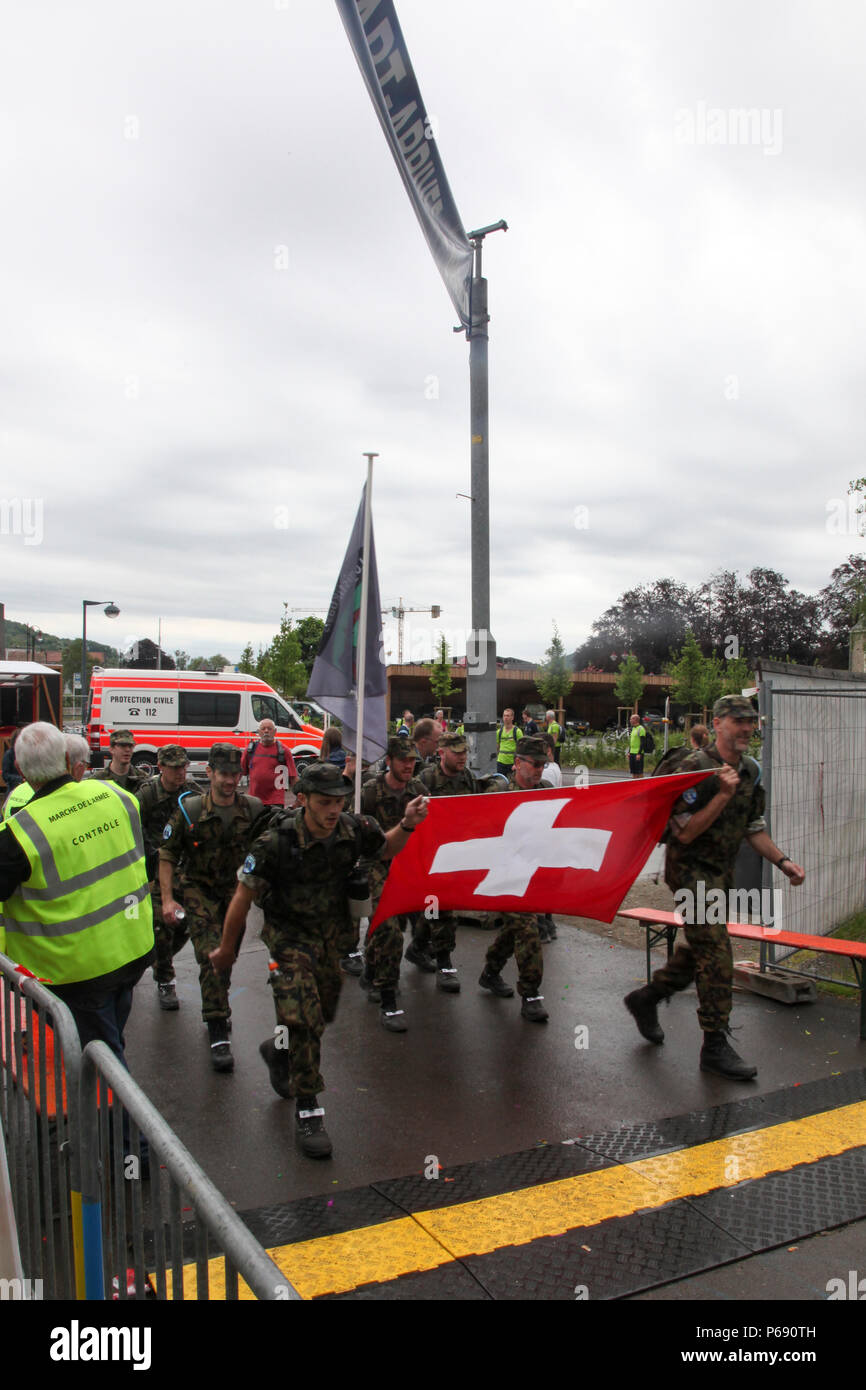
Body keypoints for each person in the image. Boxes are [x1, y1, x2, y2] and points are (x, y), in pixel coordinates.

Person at [210, 761, 428, 1158]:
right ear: (303, 799)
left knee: (317, 1017)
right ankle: (309, 1108)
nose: (333, 810)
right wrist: (228, 950)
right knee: (305, 1021)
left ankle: (280, 1052)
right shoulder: (275, 843)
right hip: (288, 942)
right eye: (324, 802)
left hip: (333, 943)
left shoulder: (353, 829)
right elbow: (242, 897)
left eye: (338, 802)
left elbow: (386, 849)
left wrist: (409, 824)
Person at [623, 695, 806, 1080]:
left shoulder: (750, 771)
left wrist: (784, 862)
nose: (745, 728)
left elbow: (753, 828)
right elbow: (685, 833)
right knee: (719, 953)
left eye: (750, 722)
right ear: (717, 723)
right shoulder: (695, 769)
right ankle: (715, 1046)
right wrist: (721, 795)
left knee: (700, 951)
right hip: (690, 873)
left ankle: (647, 997)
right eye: (737, 721)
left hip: (720, 875)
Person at [0, 722, 153, 1067]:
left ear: (21, 771)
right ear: (69, 759)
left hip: (80, 973)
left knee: (104, 1068)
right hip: (134, 950)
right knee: (109, 1041)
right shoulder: (119, 796)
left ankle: (118, 1121)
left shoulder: (19, 834)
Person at [158, 744, 264, 1072]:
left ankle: (216, 1001)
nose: (231, 781)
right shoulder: (190, 810)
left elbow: (267, 849)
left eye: (236, 774)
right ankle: (218, 1029)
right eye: (224, 774)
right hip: (198, 892)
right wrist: (167, 899)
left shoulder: (253, 809)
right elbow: (167, 854)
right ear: (210, 774)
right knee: (212, 955)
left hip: (235, 896)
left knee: (227, 955)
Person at [415, 732, 501, 991]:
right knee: (442, 910)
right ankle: (445, 963)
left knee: (435, 908)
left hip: (457, 855)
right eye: (457, 752)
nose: (463, 757)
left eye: (465, 752)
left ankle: (418, 947)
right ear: (441, 753)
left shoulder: (467, 778)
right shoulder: (426, 779)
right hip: (431, 856)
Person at [358, 736, 429, 1032]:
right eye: (403, 760)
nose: (409, 766)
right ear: (389, 761)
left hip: (409, 865)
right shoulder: (370, 792)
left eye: (413, 760)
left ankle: (372, 968)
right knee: (389, 928)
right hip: (376, 863)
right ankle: (388, 1000)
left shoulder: (419, 791)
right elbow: (360, 836)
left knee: (430, 917)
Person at [478, 737, 549, 1021]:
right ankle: (531, 994)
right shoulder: (499, 790)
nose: (540, 770)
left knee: (514, 928)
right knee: (528, 929)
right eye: (535, 764)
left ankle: (490, 972)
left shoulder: (546, 791)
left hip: (532, 873)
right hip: (503, 873)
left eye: (544, 764)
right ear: (518, 763)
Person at [137, 745, 200, 1011]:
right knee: (162, 926)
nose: (180, 772)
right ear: (161, 767)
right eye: (175, 768)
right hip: (155, 870)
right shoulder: (147, 795)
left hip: (185, 871)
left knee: (186, 925)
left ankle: (158, 960)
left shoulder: (193, 793)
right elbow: (134, 833)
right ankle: (165, 981)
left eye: (184, 766)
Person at [242, 719, 297, 806]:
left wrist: (299, 798)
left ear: (275, 731)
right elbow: (241, 772)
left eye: (269, 728)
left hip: (276, 801)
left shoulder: (284, 751)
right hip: (254, 801)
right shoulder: (250, 750)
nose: (266, 731)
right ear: (259, 732)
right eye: (263, 729)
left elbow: (293, 777)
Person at [496, 708, 522, 777]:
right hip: (500, 762)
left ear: (512, 717)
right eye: (504, 716)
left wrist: (517, 764)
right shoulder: (499, 732)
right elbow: (497, 747)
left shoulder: (517, 731)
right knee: (500, 784)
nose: (505, 718)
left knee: (512, 785)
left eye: (508, 716)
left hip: (512, 763)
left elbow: (521, 749)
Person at [627, 713, 646, 778]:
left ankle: (642, 785)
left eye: (631, 719)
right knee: (633, 771)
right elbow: (632, 742)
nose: (630, 720)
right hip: (632, 752)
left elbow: (642, 742)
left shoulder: (641, 729)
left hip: (638, 753)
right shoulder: (633, 729)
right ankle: (634, 784)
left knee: (639, 771)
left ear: (636, 720)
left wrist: (639, 753)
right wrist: (629, 751)